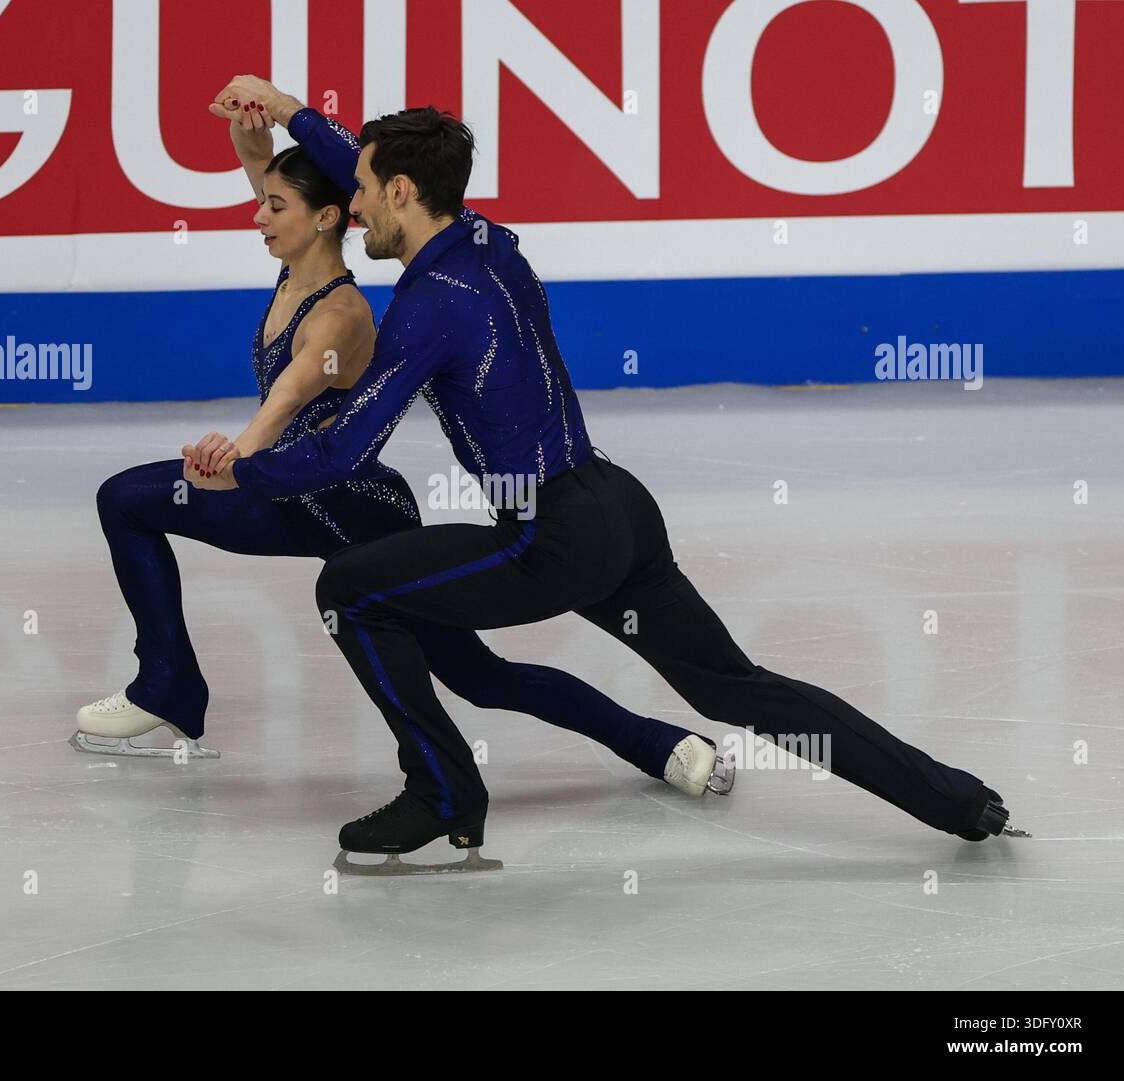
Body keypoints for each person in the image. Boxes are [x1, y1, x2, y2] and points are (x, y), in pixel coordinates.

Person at [192, 76, 1027, 869]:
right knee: (737, 686)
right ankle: (955, 799)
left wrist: (245, 473)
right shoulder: (483, 240)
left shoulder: (424, 307)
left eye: (367, 189)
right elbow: (362, 169)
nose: (356, 202)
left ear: (404, 193)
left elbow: (346, 451)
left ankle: (443, 790)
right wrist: (295, 112)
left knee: (351, 588)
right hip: (617, 507)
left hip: (550, 537)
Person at [74, 95, 726, 806]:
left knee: (479, 674)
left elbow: (287, 401)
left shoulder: (339, 313)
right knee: (126, 500)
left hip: (348, 506)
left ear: (324, 218)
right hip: (303, 492)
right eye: (260, 201)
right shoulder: (294, 261)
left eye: (275, 207)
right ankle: (167, 679)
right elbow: (266, 163)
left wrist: (233, 465)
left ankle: (659, 743)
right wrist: (263, 115)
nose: (257, 216)